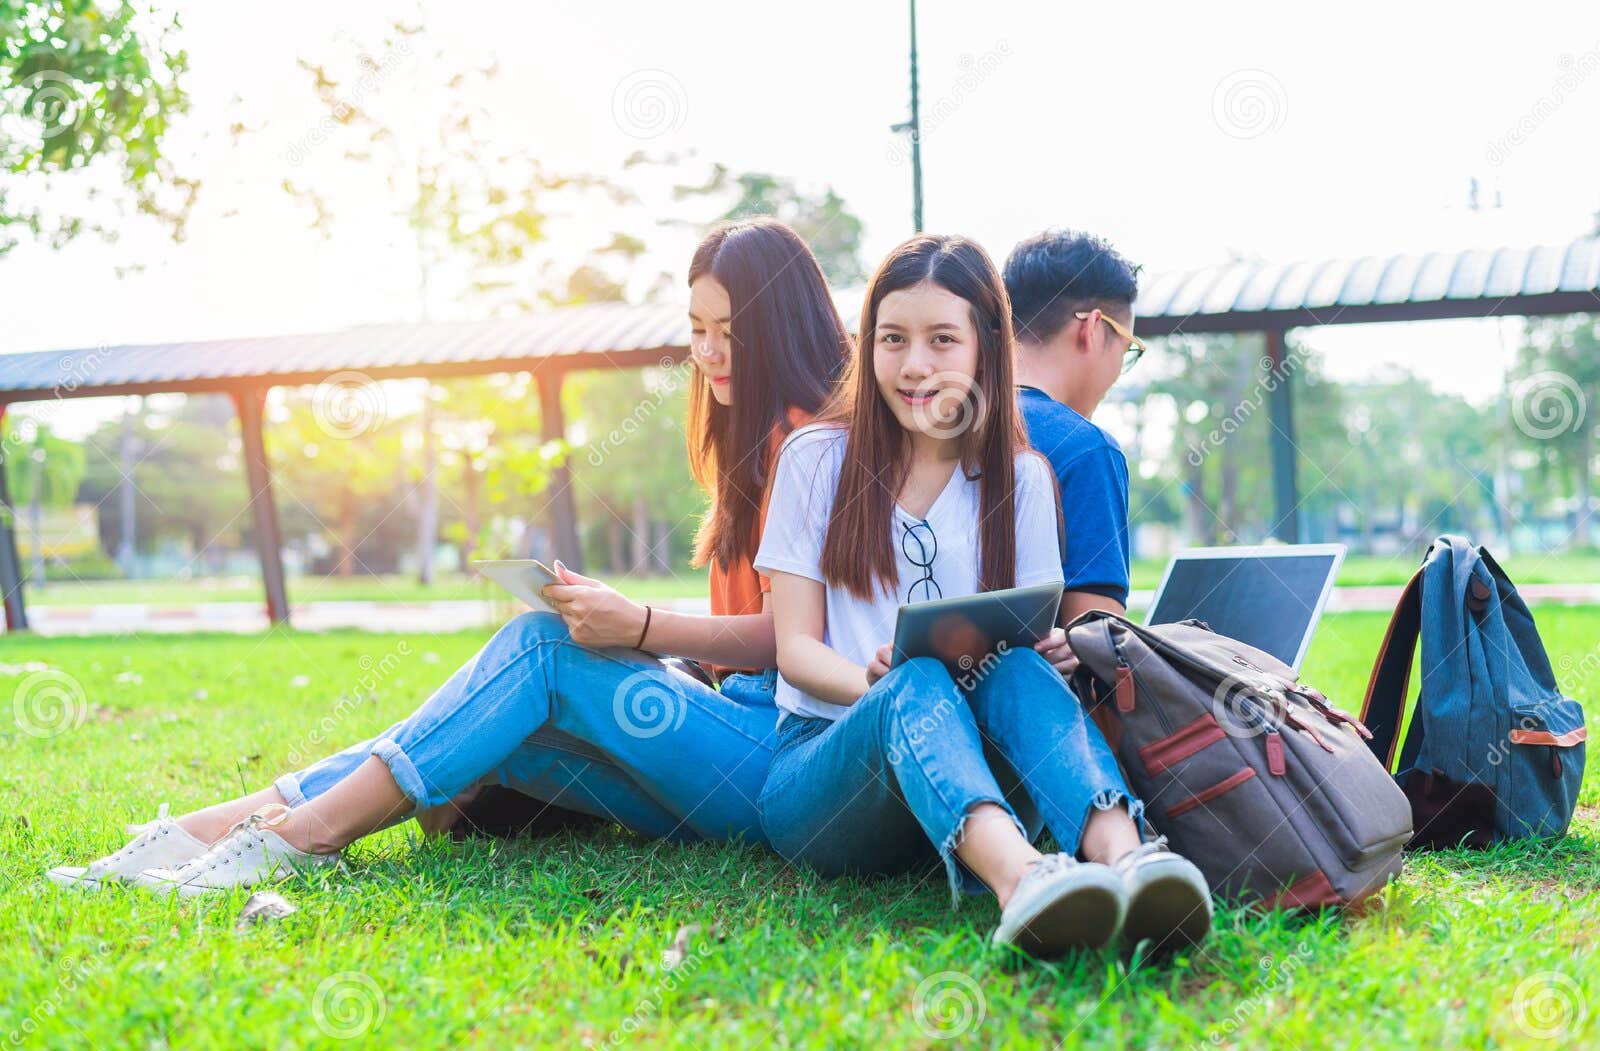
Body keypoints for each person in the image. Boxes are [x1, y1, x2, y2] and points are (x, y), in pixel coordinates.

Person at [49, 217, 853, 895]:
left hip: (775, 763)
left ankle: (293, 838)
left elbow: (785, 640)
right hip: (724, 741)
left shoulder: (807, 442)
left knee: (536, 647)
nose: (707, 354)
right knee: (488, 726)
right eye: (697, 331)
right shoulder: (752, 439)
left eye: (729, 333)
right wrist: (636, 639)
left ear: (777, 326)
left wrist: (639, 626)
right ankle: (215, 830)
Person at [752, 234, 1210, 958]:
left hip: (967, 770)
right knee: (914, 679)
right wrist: (873, 685)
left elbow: (1018, 645)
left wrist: (1057, 651)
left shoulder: (1022, 478)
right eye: (892, 339)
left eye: (941, 340)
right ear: (867, 347)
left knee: (1019, 667)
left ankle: (1129, 861)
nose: (914, 366)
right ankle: (1024, 881)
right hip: (826, 772)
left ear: (984, 347)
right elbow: (796, 651)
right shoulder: (816, 461)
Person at [1003, 230, 1141, 634]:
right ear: (1094, 329)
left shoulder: (940, 426)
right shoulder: (1085, 450)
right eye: (1128, 348)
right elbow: (1096, 643)